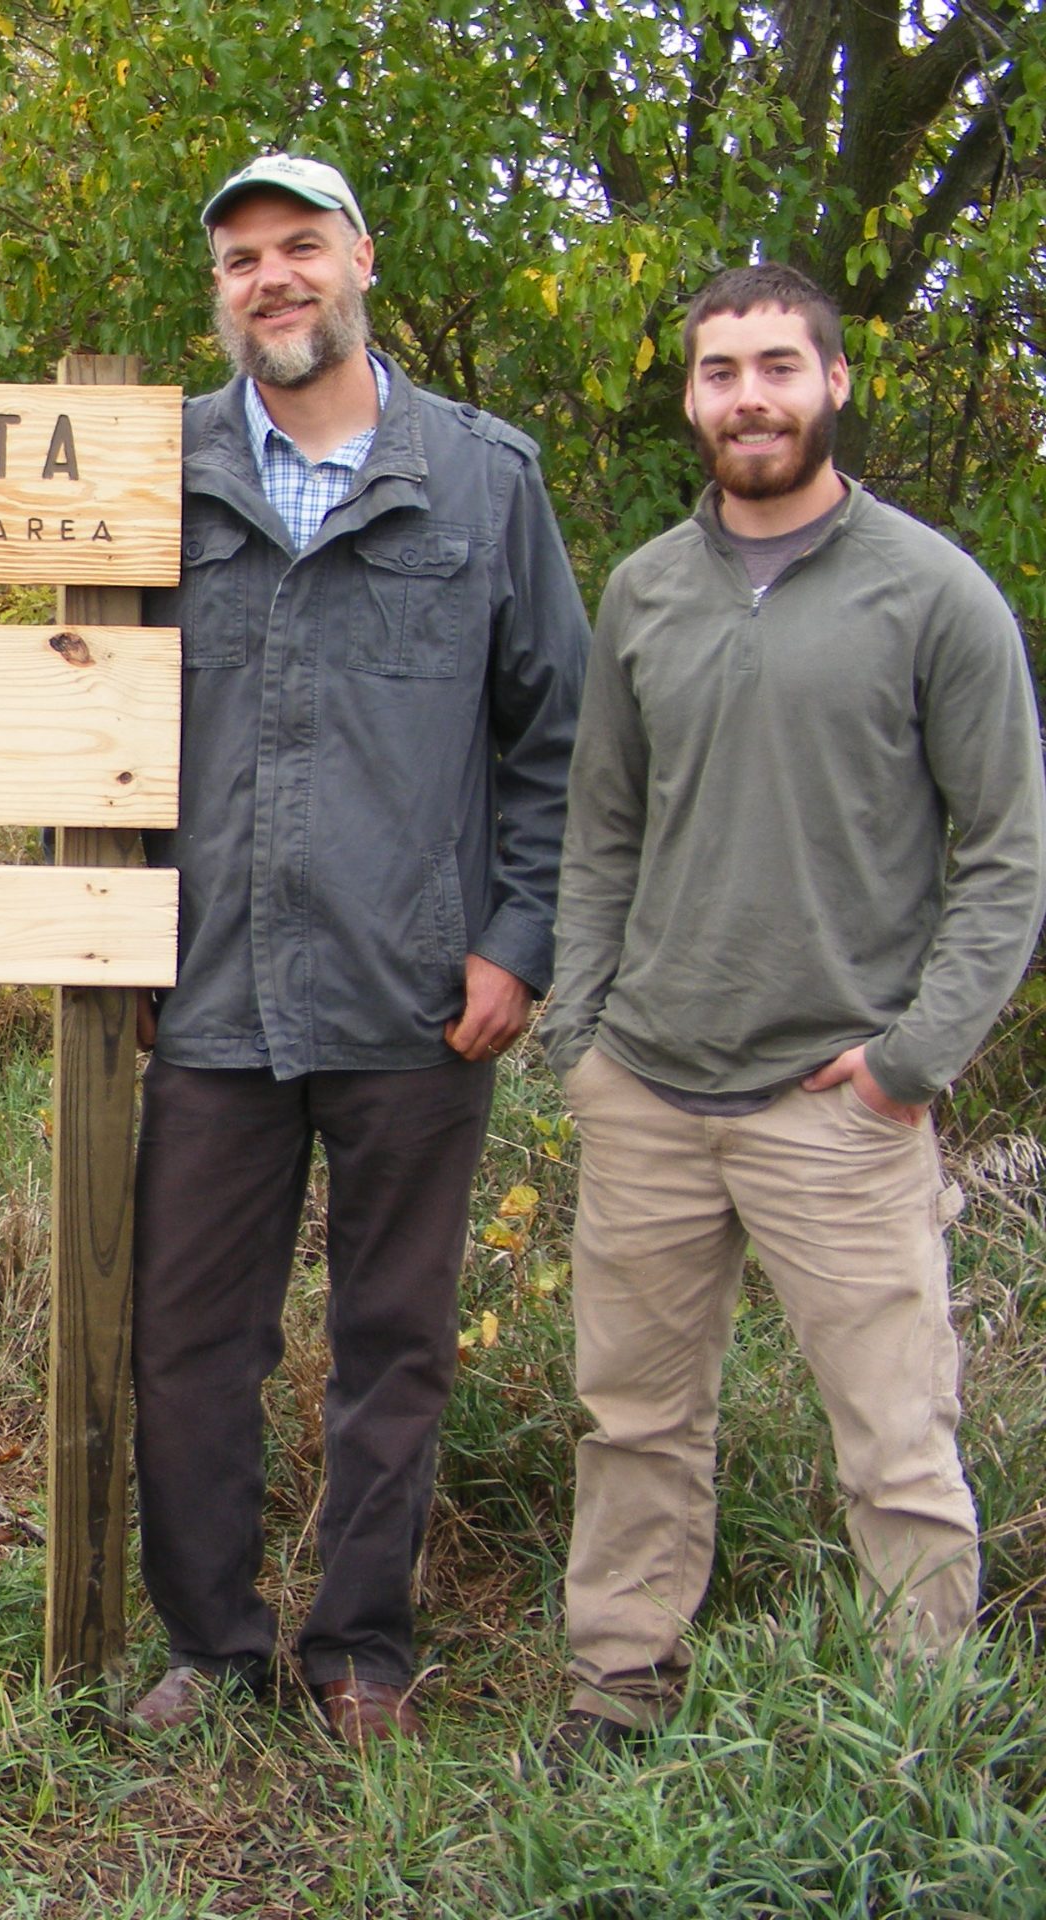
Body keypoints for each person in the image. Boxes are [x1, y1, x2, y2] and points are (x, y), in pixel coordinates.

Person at [533, 262, 1046, 1773]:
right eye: (718, 373)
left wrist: (909, 1064)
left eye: (775, 366)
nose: (746, 397)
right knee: (632, 1421)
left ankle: (922, 1723)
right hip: (651, 1092)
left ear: (835, 382)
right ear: (689, 397)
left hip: (838, 1104)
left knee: (895, 1438)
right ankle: (618, 1685)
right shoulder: (644, 589)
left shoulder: (932, 592)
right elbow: (600, 831)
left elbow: (1009, 853)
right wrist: (586, 1045)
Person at [129, 154, 589, 1746]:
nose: (271, 278)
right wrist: (115, 933)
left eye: (298, 247)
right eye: (241, 258)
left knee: (391, 1343)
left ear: (361, 263)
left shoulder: (481, 477)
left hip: (416, 997)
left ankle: (360, 1655)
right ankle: (210, 1646)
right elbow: (73, 707)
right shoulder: (154, 467)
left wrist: (517, 940)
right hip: (205, 994)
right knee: (190, 1341)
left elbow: (556, 739)